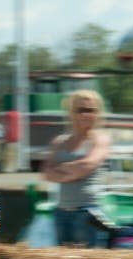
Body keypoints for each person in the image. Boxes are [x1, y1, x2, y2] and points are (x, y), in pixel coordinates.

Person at [42, 89, 111, 247]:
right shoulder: (60, 142)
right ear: (72, 113)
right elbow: (47, 173)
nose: (85, 115)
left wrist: (60, 169)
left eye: (91, 110)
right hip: (61, 212)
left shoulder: (100, 139)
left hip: (88, 213)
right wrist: (74, 172)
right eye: (81, 110)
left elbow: (88, 165)